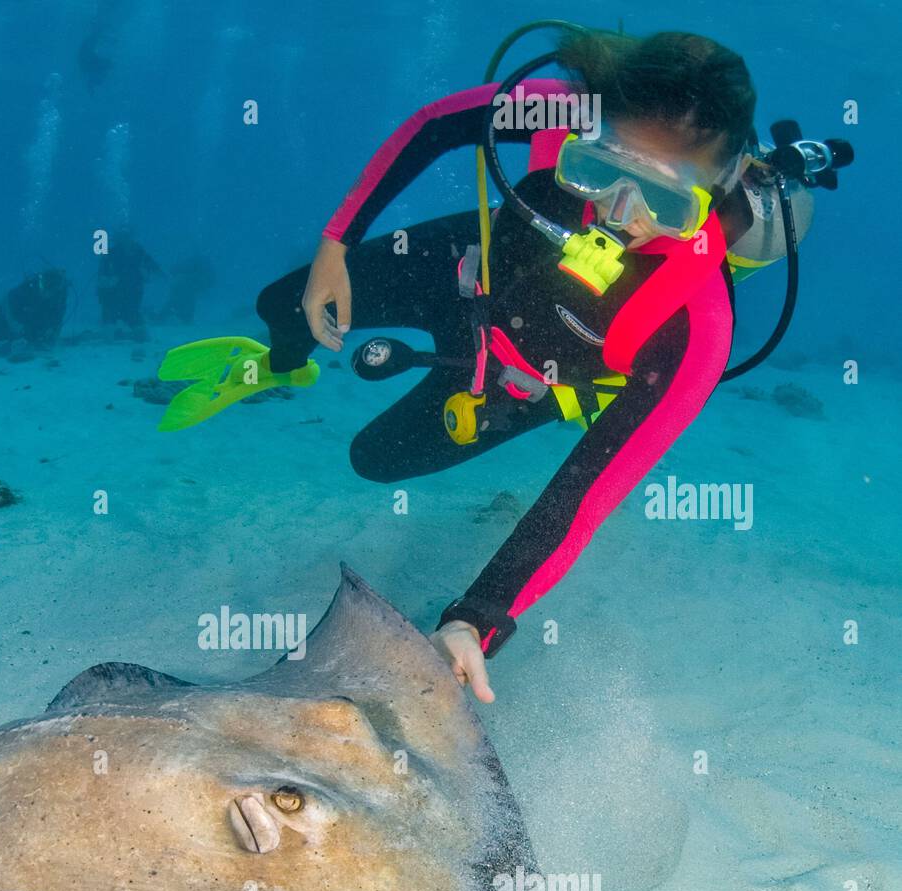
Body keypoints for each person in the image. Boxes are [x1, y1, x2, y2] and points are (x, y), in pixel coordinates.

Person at [157, 29, 765, 703]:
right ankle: (280, 368)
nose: (620, 214)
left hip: (517, 382)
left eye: (665, 200)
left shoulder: (695, 327)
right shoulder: (555, 111)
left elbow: (585, 494)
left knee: (376, 457)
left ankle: (506, 403)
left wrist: (477, 619)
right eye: (600, 169)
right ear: (586, 124)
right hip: (469, 272)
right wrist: (336, 244)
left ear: (720, 184)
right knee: (285, 302)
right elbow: (434, 124)